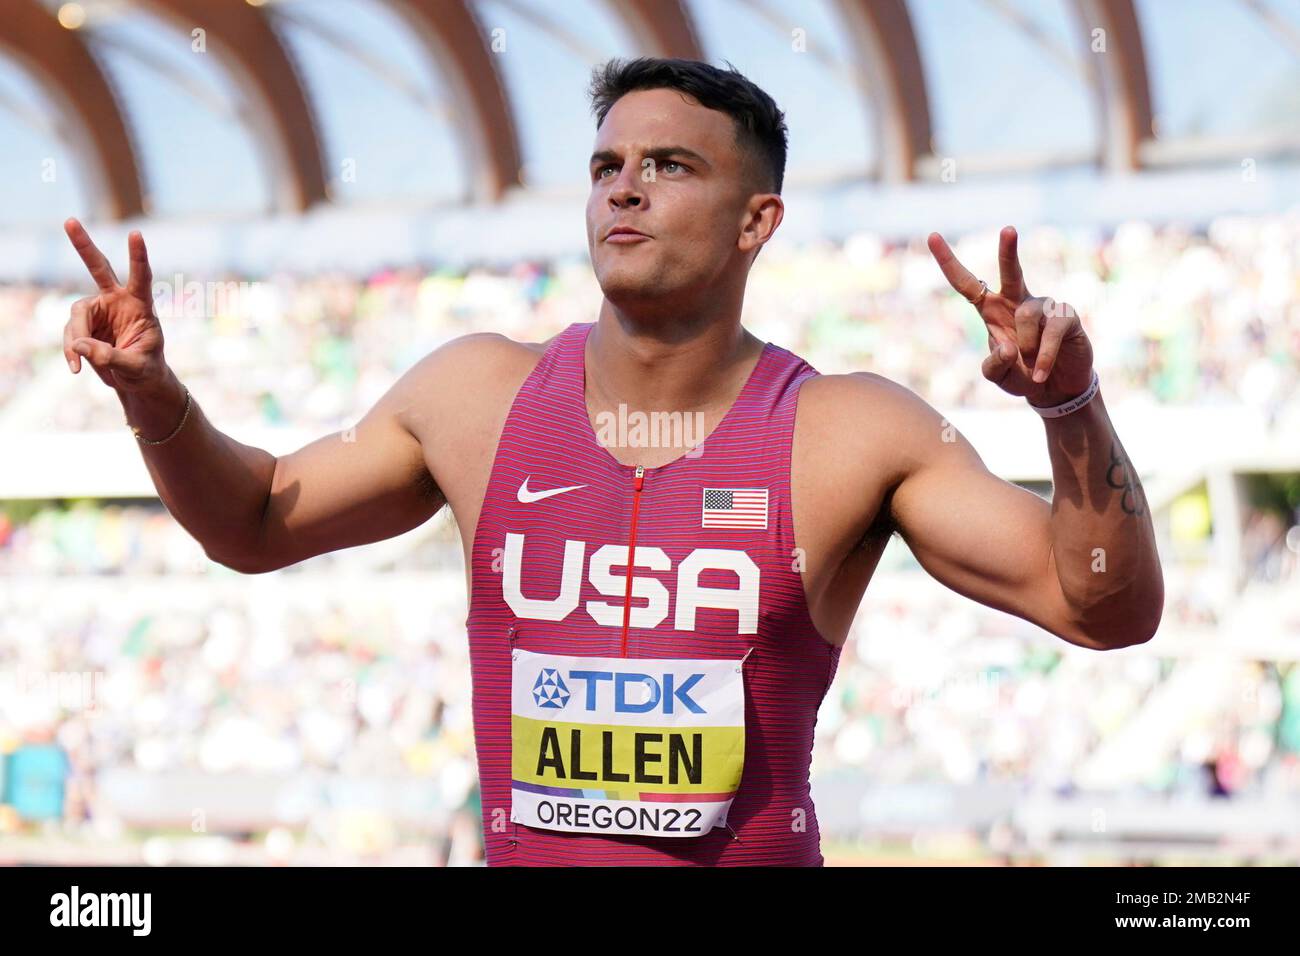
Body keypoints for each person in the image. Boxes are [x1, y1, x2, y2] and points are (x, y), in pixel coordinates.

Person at [61, 57, 1163, 866]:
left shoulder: (848, 430)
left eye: (669, 165)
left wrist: (1069, 404)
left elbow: (1101, 608)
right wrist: (156, 396)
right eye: (607, 165)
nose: (622, 189)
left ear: (754, 221)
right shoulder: (474, 395)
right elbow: (251, 520)